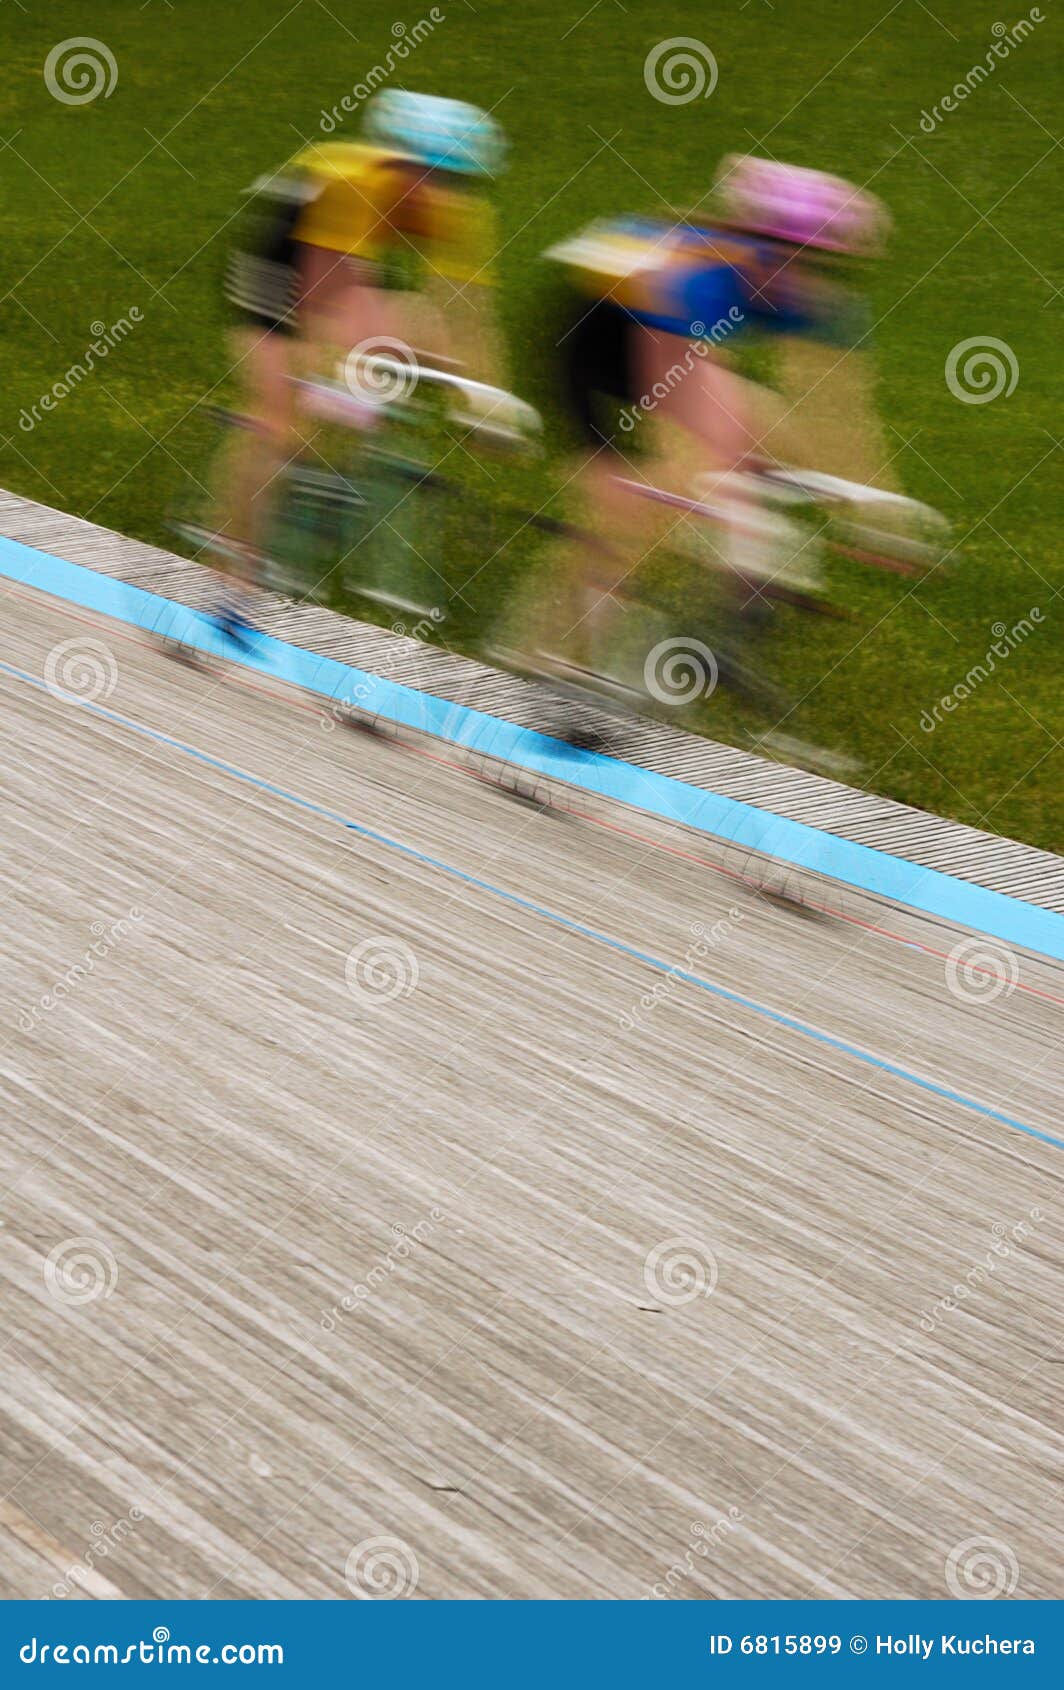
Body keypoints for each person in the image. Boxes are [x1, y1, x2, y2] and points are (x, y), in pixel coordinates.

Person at [534, 158, 891, 699]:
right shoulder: (699, 281)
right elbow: (671, 390)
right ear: (754, 245)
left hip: (670, 344)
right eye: (790, 260)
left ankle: (731, 609)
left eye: (820, 266)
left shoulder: (817, 301)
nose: (805, 280)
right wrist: (712, 492)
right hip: (591, 344)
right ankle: (558, 650)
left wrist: (867, 512)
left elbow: (840, 412)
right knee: (631, 508)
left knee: (773, 436)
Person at [208, 91, 509, 643]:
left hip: (349, 264)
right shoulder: (352, 182)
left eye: (457, 183)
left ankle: (334, 457)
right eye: (432, 178)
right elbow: (329, 294)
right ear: (397, 164)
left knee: (410, 339)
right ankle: (234, 572)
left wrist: (485, 396)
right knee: (277, 421)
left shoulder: (460, 213)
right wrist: (336, 367)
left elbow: (469, 311)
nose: (444, 194)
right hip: (275, 269)